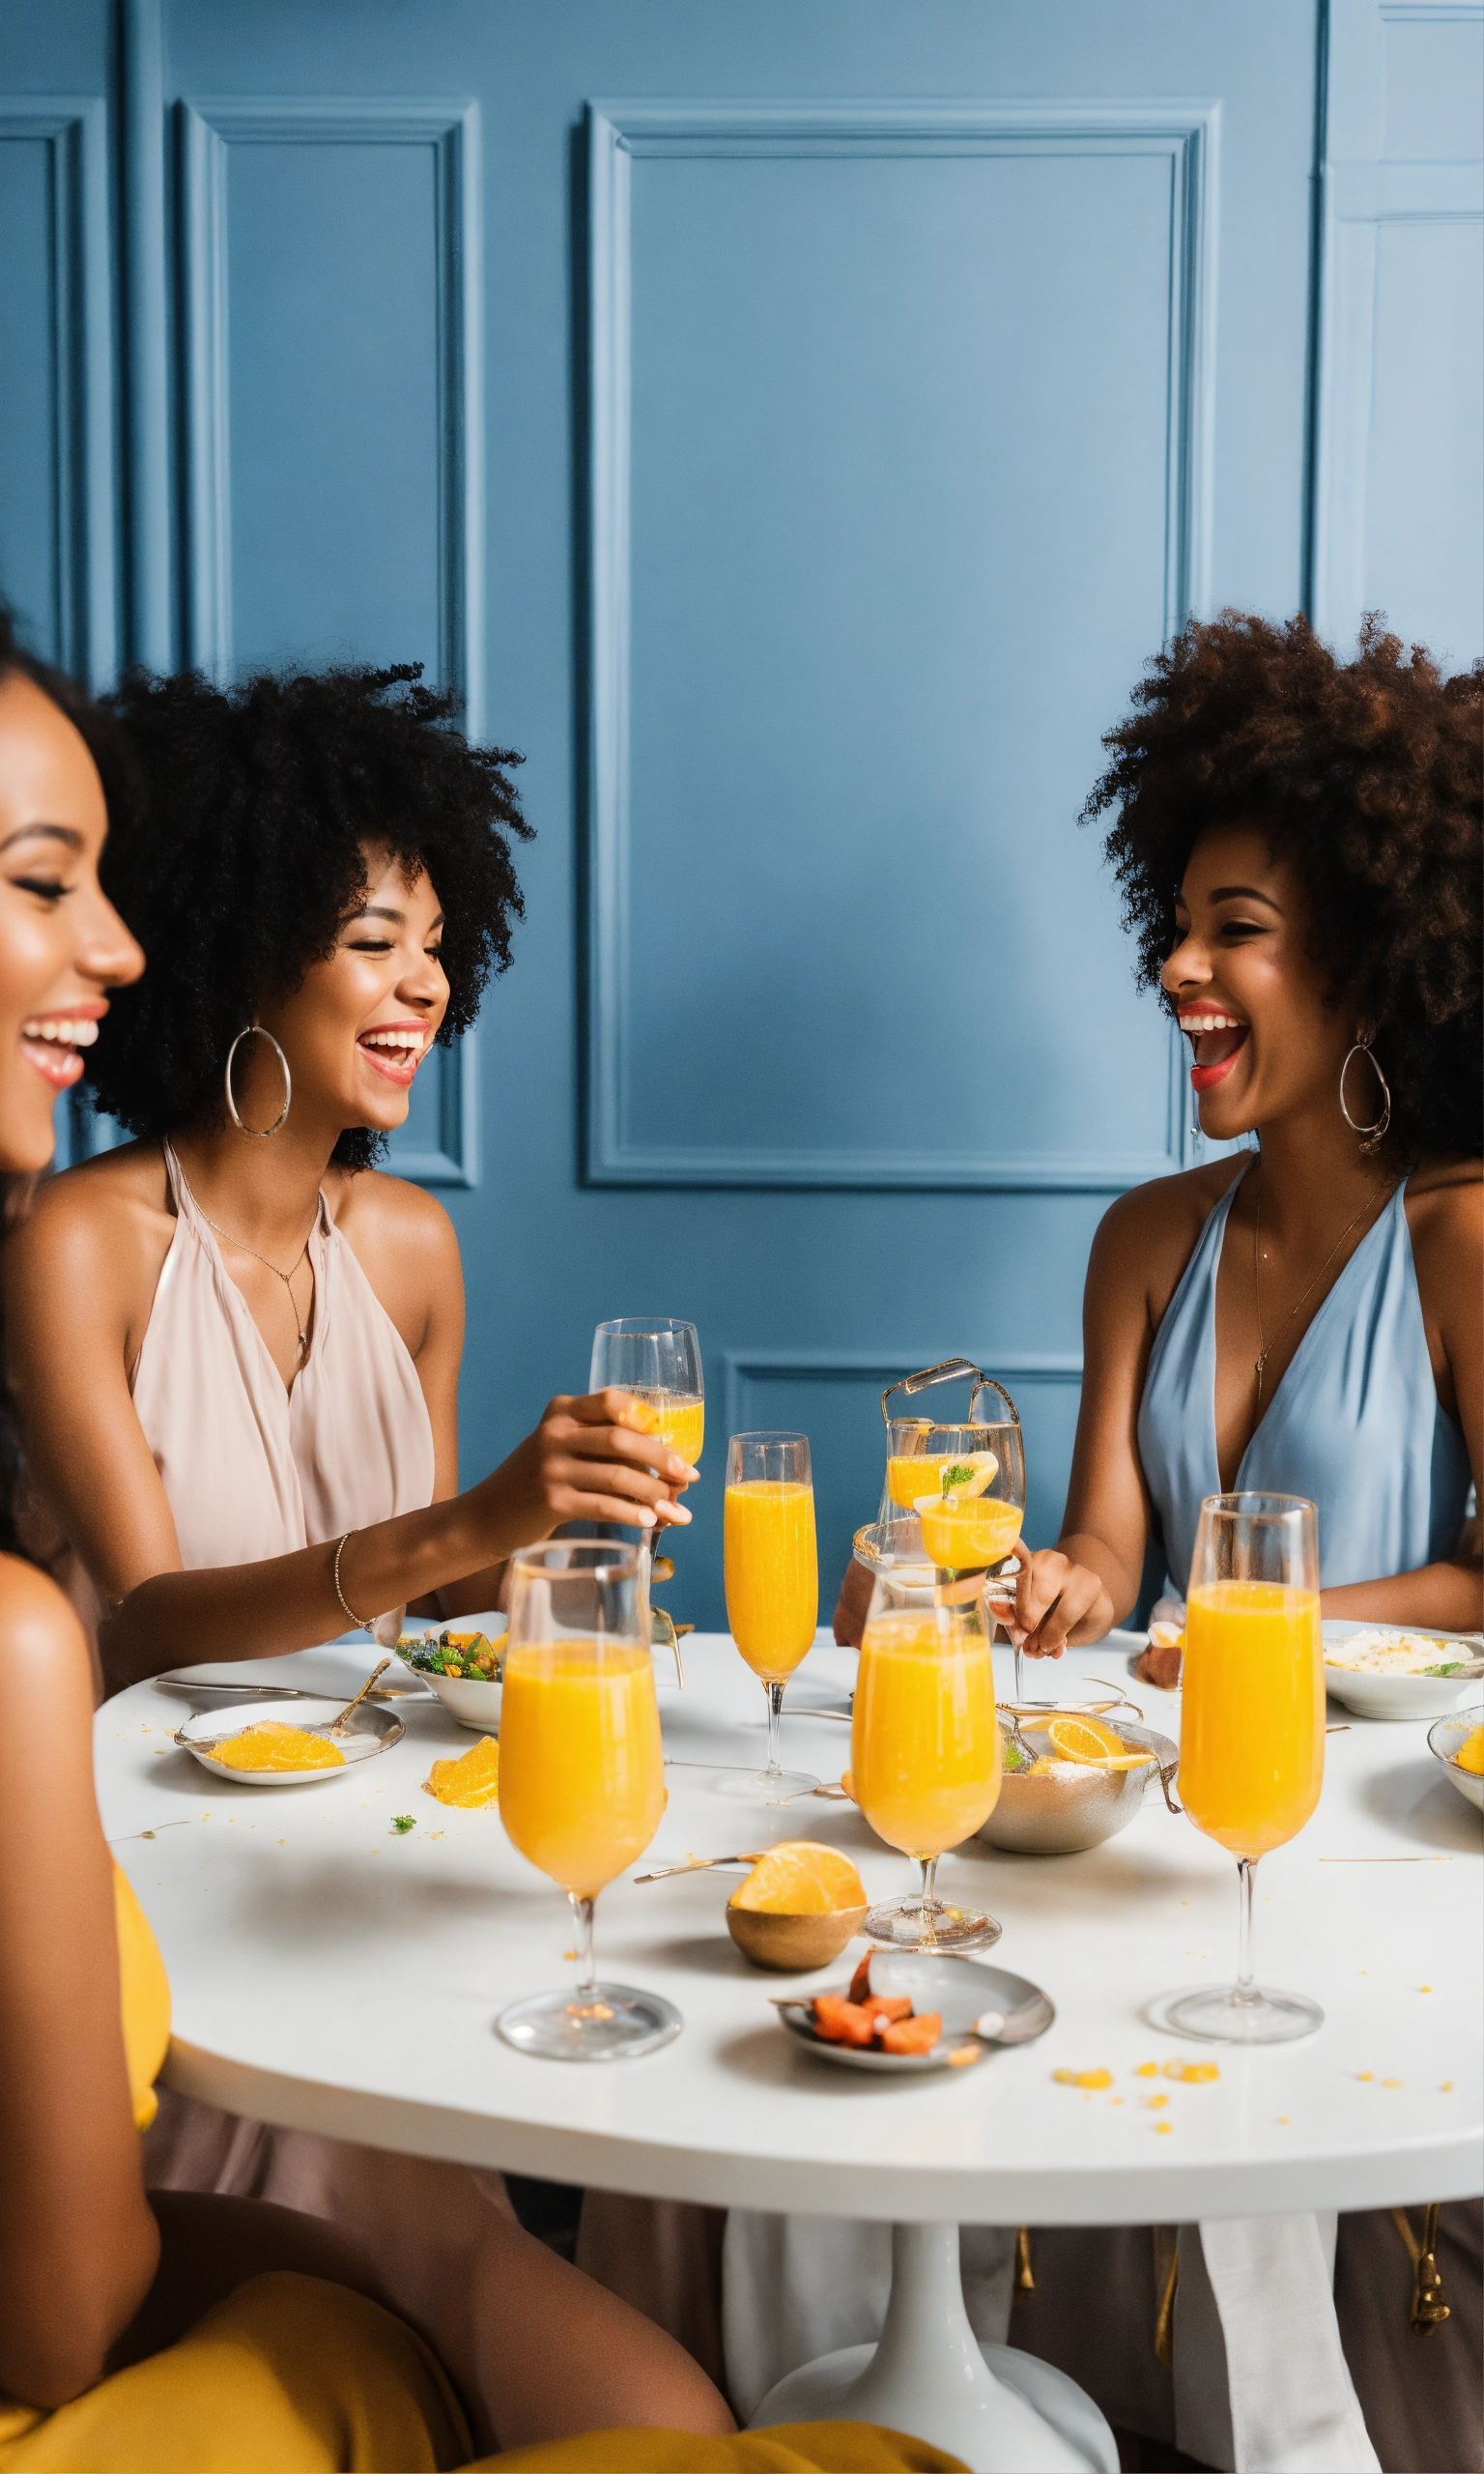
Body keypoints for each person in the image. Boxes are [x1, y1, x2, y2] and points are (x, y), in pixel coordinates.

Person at [0, 658, 721, 2442]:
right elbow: (148, 1630)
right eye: (373, 941)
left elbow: (442, 1613)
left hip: (385, 1889)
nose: (425, 985)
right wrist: (470, 1519)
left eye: (438, 946)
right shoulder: (84, 1242)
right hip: (169, 1934)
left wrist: (556, 1548)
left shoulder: (407, 1249)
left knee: (661, 2364)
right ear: (250, 949)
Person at [793, 614, 1483, 2470]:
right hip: (1160, 1792)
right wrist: (1048, 1586)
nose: (1176, 967)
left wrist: (1266, 1623)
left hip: (1371, 1824)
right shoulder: (1147, 1239)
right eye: (1175, 925)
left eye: (1232, 930)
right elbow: (1107, 1549)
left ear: (1369, 954)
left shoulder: (1461, 1233)